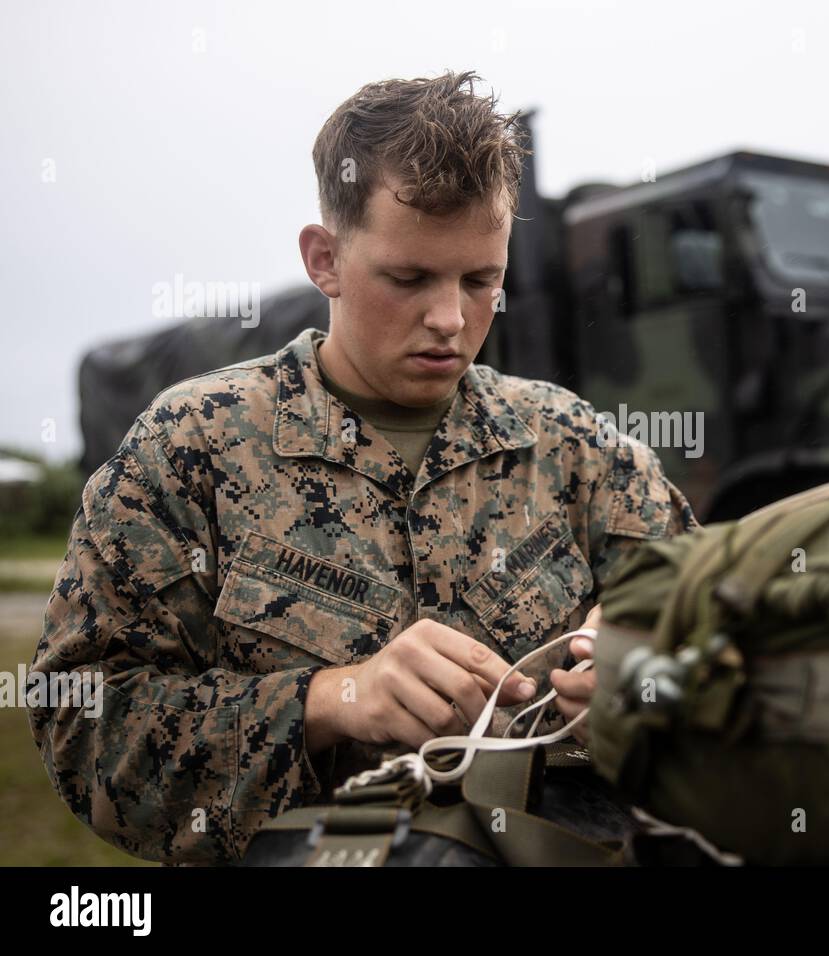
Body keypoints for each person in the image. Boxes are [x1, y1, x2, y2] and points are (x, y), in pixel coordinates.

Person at [28, 71, 697, 865]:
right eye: (408, 278)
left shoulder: (575, 447)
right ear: (326, 260)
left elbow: (730, 643)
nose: (450, 319)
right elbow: (86, 728)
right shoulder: (191, 449)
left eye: (482, 280)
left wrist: (635, 680)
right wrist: (331, 701)